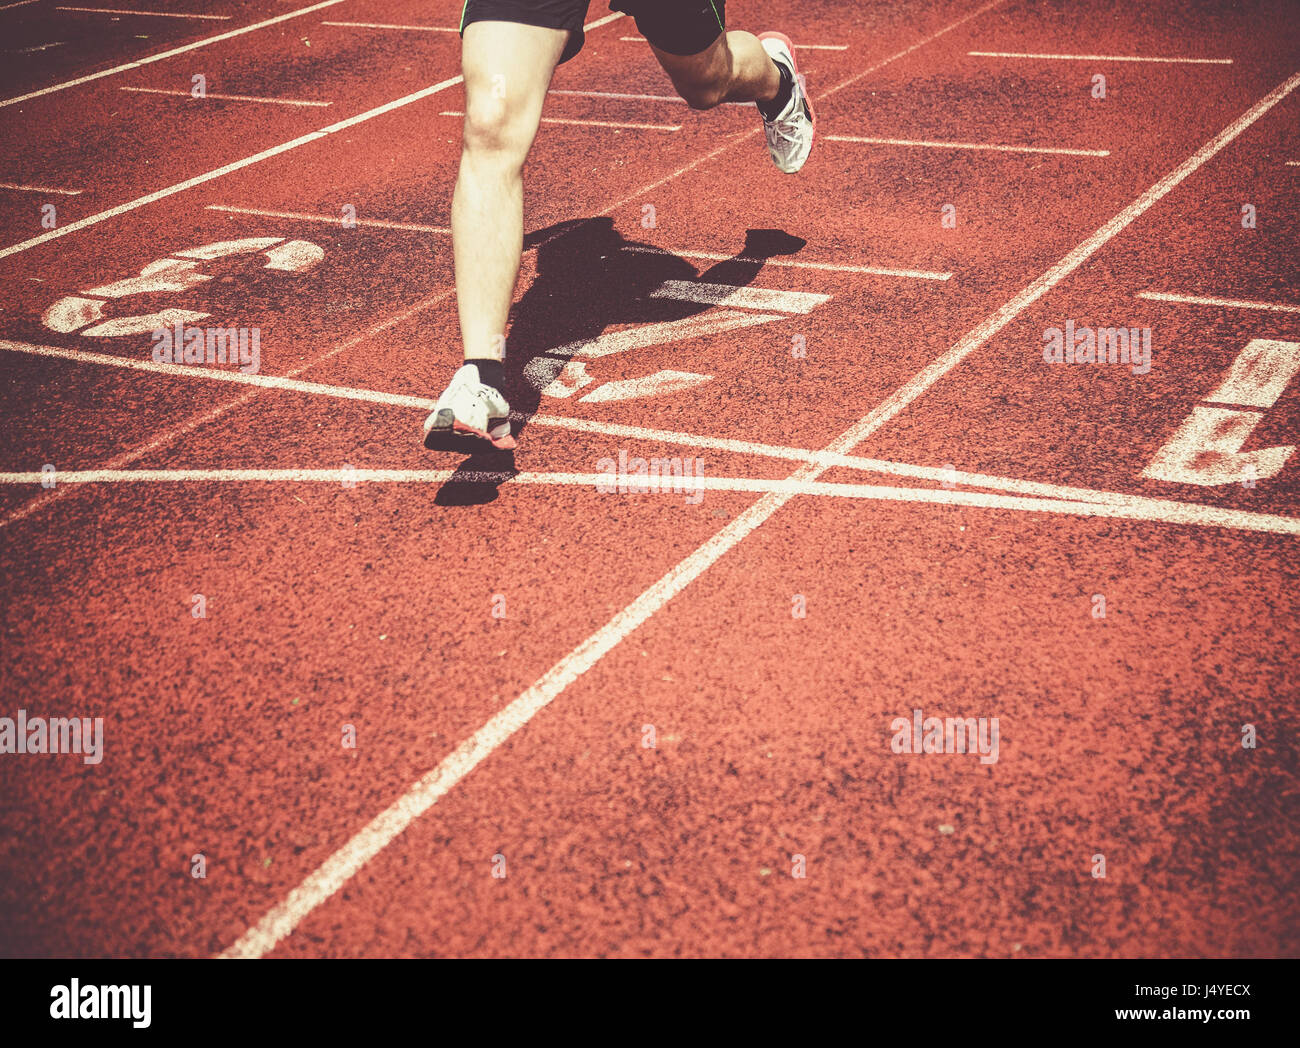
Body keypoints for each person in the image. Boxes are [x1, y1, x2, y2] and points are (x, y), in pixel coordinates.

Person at [422, 1, 815, 452]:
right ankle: (482, 380)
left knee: (706, 81)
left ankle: (778, 82)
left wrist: (755, 254)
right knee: (491, 123)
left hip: (651, 285)